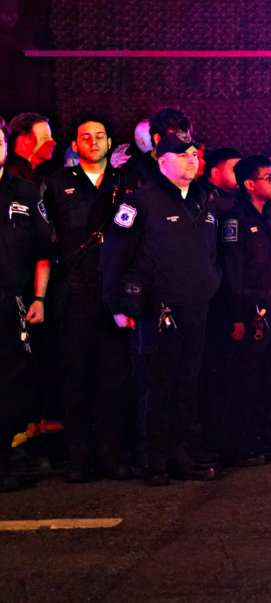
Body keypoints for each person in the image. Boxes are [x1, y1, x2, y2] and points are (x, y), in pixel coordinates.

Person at [99, 130, 222, 485]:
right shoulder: (140, 202)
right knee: (156, 386)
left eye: (195, 155)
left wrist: (210, 281)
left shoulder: (203, 199)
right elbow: (114, 256)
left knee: (186, 385)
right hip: (157, 311)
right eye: (183, 155)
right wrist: (117, 305)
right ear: (162, 160)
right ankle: (153, 461)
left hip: (196, 307)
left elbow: (211, 253)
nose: (192, 160)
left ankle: (180, 455)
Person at [39, 116, 136, 482]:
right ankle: (79, 459)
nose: (93, 142)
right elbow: (46, 240)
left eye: (99, 137)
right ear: (75, 145)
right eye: (85, 137)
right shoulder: (55, 184)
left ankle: (111, 455)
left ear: (110, 142)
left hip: (113, 293)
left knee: (114, 376)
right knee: (77, 377)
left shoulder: (125, 184)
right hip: (75, 291)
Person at [213, 157, 271, 465]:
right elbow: (232, 271)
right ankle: (236, 445)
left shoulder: (269, 216)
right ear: (249, 184)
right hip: (248, 306)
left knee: (267, 377)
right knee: (243, 379)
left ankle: (264, 436)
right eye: (267, 178)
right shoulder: (235, 219)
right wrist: (237, 316)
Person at [0, 129, 51, 492]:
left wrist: (39, 298)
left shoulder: (25, 193)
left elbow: (43, 252)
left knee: (11, 386)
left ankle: (3, 461)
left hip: (11, 300)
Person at [6, 113, 57, 183]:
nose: (54, 143)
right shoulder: (12, 179)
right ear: (22, 142)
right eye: (44, 138)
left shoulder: (26, 176)